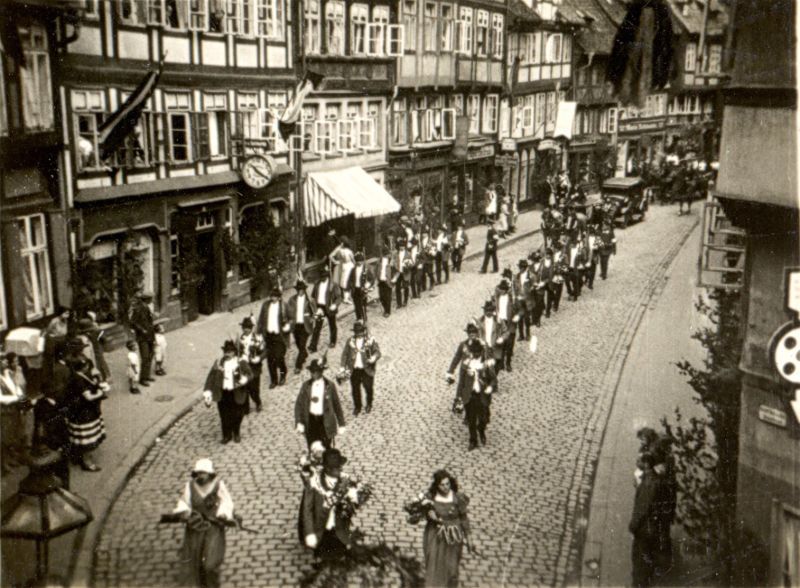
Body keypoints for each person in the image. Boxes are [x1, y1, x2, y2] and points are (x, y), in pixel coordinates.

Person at [172, 458, 235, 588]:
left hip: (213, 528)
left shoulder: (218, 485)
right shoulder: (190, 486)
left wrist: (223, 513)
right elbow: (184, 502)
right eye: (198, 473)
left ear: (209, 473)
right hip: (195, 529)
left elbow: (226, 502)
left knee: (210, 562)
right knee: (195, 560)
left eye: (203, 473)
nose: (201, 476)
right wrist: (184, 511)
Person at [299, 448, 352, 560]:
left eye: (340, 466)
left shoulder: (345, 480)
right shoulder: (314, 483)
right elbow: (307, 510)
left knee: (340, 559)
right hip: (321, 530)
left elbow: (348, 508)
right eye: (337, 467)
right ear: (327, 468)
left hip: (339, 530)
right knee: (322, 560)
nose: (341, 469)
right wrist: (309, 533)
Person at [64, 339, 108, 471]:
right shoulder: (74, 373)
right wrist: (99, 393)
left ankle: (80, 456)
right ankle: (86, 461)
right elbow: (87, 396)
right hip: (82, 408)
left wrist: (96, 378)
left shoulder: (83, 361)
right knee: (86, 436)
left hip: (87, 406)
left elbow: (93, 370)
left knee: (83, 434)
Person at [422, 470, 471, 587]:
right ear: (437, 485)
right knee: (434, 566)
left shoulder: (457, 498)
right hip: (436, 536)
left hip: (453, 537)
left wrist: (469, 538)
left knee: (452, 569)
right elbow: (423, 512)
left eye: (447, 484)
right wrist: (429, 513)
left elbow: (464, 518)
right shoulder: (431, 497)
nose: (445, 487)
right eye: (442, 485)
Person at [202, 341, 252, 444]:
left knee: (238, 414)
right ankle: (226, 435)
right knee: (224, 415)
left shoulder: (240, 362)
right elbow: (211, 377)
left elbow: (250, 374)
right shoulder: (219, 362)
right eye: (226, 352)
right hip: (223, 393)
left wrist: (244, 379)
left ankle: (236, 432)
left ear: (234, 352)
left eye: (230, 352)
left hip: (237, 392)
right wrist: (208, 392)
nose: (227, 354)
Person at [629, 452, 664, 588]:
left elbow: (642, 508)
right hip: (652, 526)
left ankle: (638, 584)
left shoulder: (649, 483)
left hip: (645, 528)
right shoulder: (652, 478)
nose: (638, 462)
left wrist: (633, 525)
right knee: (645, 557)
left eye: (640, 461)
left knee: (639, 559)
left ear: (647, 464)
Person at [294, 359, 346, 449]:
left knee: (326, 448)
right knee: (312, 448)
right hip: (311, 421)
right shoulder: (306, 386)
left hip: (325, 421)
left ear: (321, 372)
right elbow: (299, 405)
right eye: (312, 371)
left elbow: (337, 405)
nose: (313, 374)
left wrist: (341, 424)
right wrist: (299, 422)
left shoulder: (330, 385)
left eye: (316, 371)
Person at [457, 339, 496, 450]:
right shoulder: (466, 364)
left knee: (484, 418)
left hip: (482, 395)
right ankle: (473, 440)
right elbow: (461, 381)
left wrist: (490, 387)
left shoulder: (487, 363)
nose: (475, 355)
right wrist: (458, 397)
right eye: (473, 353)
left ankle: (481, 430)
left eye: (477, 353)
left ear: (481, 352)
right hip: (470, 395)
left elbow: (494, 380)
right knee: (471, 419)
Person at [340, 320, 381, 416]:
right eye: (357, 332)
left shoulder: (370, 340)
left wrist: (373, 358)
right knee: (355, 389)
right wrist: (342, 367)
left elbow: (377, 352)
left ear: (364, 331)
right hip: (354, 369)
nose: (359, 334)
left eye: (360, 332)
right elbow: (344, 354)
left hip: (366, 369)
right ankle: (357, 406)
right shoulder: (350, 341)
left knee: (368, 388)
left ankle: (369, 403)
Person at [1, 352, 29, 473]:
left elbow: (15, 386)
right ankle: (3, 464)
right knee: (4, 438)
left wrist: (19, 393)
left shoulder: (8, 373)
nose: (6, 362)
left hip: (14, 410)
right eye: (3, 361)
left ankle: (8, 459)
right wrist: (16, 398)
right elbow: (1, 398)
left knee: (12, 436)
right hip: (4, 412)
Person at [257, 288, 291, 388]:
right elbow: (261, 319)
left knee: (279, 357)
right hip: (268, 336)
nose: (273, 298)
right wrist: (259, 333)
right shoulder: (266, 305)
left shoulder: (284, 306)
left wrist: (288, 326)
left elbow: (292, 318)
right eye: (272, 296)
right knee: (270, 359)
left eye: (275, 296)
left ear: (279, 297)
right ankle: (274, 380)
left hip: (279, 336)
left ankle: (283, 374)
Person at [309, 268, 342, 353]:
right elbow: (313, 296)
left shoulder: (333, 285)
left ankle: (332, 341)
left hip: (329, 307)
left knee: (332, 325)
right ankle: (313, 346)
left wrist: (335, 305)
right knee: (317, 327)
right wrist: (315, 308)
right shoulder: (317, 284)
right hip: (320, 308)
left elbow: (339, 297)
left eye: (324, 276)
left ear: (327, 276)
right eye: (321, 277)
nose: (322, 278)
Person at [287, 279, 316, 374]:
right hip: (296, 326)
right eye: (299, 290)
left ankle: (298, 366)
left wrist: (312, 318)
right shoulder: (292, 300)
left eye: (302, 290)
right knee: (299, 345)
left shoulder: (309, 301)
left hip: (305, 326)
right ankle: (304, 354)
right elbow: (288, 312)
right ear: (297, 290)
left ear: (304, 290)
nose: (301, 291)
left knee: (302, 344)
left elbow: (315, 312)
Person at [237, 317, 265, 411]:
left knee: (254, 387)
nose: (246, 329)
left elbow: (264, 351)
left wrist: (259, 358)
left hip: (254, 366)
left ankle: (258, 402)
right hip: (245, 366)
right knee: (245, 385)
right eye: (244, 327)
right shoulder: (240, 339)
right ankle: (246, 406)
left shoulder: (257, 338)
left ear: (251, 328)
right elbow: (237, 352)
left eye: (248, 327)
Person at [130, 291, 156, 387]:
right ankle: (142, 379)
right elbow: (133, 322)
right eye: (151, 298)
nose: (152, 300)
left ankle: (147, 375)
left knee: (150, 355)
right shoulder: (138, 309)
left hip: (150, 335)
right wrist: (142, 330)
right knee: (145, 357)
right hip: (142, 337)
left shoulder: (147, 307)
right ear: (147, 299)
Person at [494, 279, 517, 372]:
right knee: (501, 343)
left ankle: (508, 362)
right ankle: (501, 363)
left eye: (504, 290)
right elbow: (495, 290)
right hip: (500, 323)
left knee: (510, 344)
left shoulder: (511, 298)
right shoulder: (497, 298)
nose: (502, 291)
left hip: (510, 323)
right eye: (501, 289)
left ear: (507, 290)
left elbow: (515, 304)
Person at [476, 300, 505, 371]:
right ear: (484, 311)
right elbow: (475, 334)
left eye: (490, 310)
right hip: (484, 350)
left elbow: (506, 331)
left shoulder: (499, 321)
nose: (488, 312)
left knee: (495, 371)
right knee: (483, 370)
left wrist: (502, 338)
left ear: (493, 311)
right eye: (486, 310)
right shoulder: (480, 321)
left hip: (495, 349)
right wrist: (479, 340)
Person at [349, 252, 374, 323]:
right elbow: (350, 280)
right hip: (355, 290)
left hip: (362, 290)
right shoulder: (353, 270)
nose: (359, 263)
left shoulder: (366, 269)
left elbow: (371, 279)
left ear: (363, 261)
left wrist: (368, 285)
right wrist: (351, 286)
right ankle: (359, 318)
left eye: (360, 261)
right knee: (356, 304)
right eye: (357, 261)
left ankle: (364, 318)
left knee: (363, 305)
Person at [564, 234, 586, 301]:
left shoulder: (580, 251)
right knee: (567, 281)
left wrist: (581, 264)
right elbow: (565, 257)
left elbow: (584, 259)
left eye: (573, 244)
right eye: (571, 244)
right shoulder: (568, 250)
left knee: (575, 282)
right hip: (569, 268)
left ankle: (575, 296)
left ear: (576, 244)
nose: (571, 245)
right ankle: (571, 292)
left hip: (576, 268)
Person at [514, 260, 532, 340]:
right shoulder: (517, 276)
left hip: (527, 300)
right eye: (520, 267)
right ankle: (521, 335)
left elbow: (533, 287)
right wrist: (516, 296)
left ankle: (528, 334)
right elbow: (515, 287)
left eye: (522, 267)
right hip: (519, 300)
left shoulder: (530, 276)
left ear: (525, 268)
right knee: (519, 319)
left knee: (527, 318)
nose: (521, 269)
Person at [336, 237, 356, 304]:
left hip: (344, 266)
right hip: (349, 266)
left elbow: (338, 258)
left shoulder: (340, 251)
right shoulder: (349, 251)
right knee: (348, 281)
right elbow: (353, 260)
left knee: (344, 281)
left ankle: (346, 296)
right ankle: (346, 298)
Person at [376, 246, 394, 317]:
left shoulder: (391, 261)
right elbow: (376, 269)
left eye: (387, 254)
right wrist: (377, 277)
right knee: (381, 297)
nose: (386, 255)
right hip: (381, 281)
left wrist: (393, 279)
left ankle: (387, 311)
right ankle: (385, 308)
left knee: (388, 297)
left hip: (388, 281)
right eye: (384, 254)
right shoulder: (379, 260)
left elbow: (395, 271)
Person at [393, 237, 411, 309]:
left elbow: (411, 263)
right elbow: (393, 262)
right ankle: (399, 303)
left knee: (406, 287)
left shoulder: (408, 254)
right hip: (398, 272)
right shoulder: (396, 254)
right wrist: (394, 265)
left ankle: (405, 301)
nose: (401, 248)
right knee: (397, 288)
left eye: (403, 246)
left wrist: (408, 265)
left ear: (405, 247)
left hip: (405, 272)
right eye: (400, 246)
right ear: (398, 247)